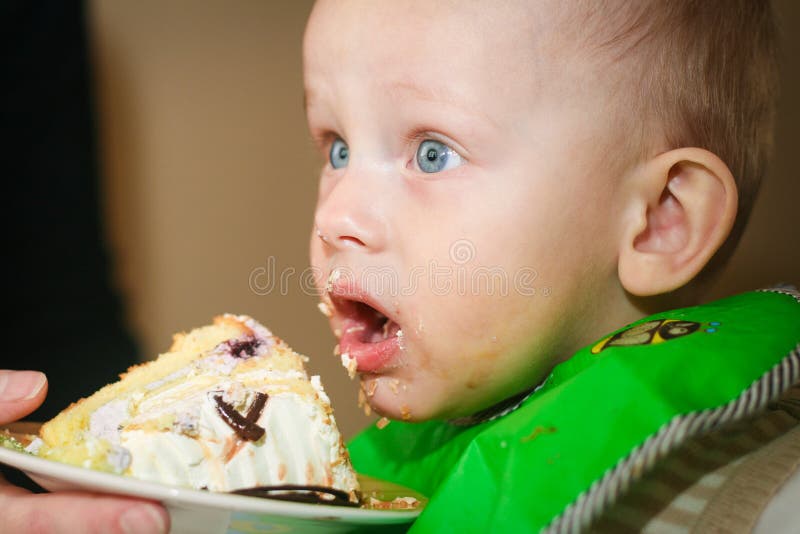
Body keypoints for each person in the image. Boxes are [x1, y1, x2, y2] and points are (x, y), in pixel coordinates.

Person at [303, 0, 799, 531]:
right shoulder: (410, 462)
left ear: (659, 220)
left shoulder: (768, 500)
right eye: (338, 150)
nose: (335, 218)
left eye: (432, 153)